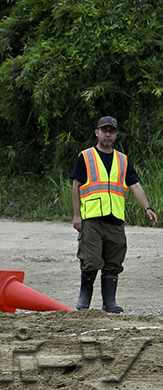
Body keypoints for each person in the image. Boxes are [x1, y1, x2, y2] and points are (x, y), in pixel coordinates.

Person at [70, 116, 158, 313]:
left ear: (116, 134)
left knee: (113, 262)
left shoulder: (123, 159)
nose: (108, 134)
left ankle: (109, 302)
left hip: (115, 220)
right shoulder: (86, 156)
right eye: (104, 130)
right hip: (92, 218)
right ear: (97, 133)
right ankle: (84, 298)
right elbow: (76, 185)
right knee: (91, 261)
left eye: (111, 131)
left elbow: (135, 184)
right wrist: (77, 216)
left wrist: (148, 207)